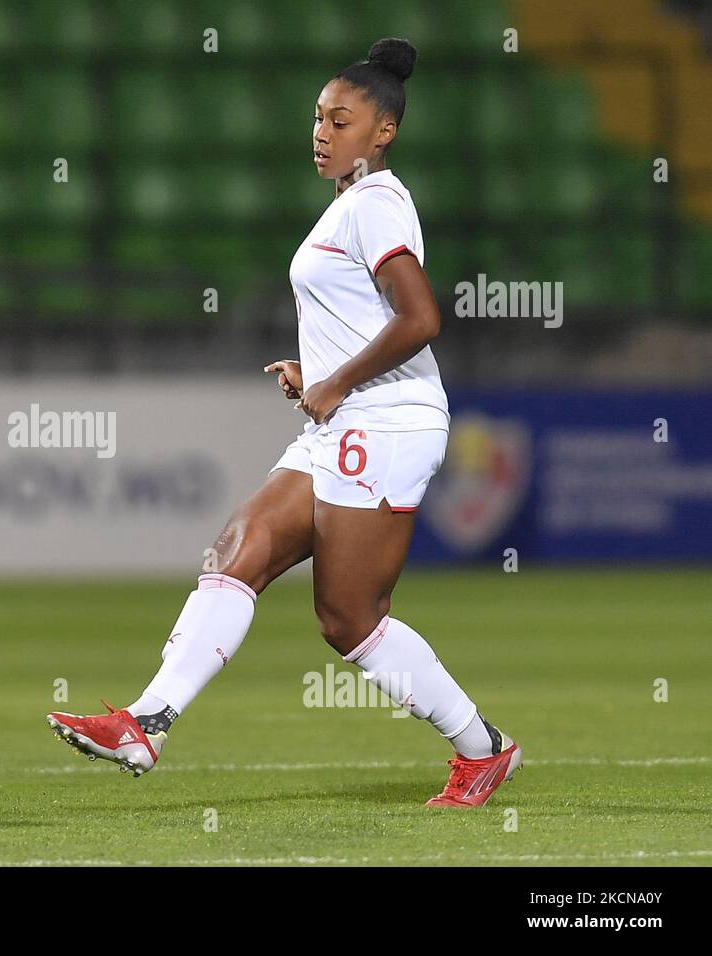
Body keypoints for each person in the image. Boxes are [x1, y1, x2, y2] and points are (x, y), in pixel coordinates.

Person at [47, 37, 521, 808]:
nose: (322, 132)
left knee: (349, 620)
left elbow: (422, 316)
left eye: (341, 120)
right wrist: (320, 372)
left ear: (383, 131)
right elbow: (369, 316)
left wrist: (334, 380)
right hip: (347, 419)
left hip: (391, 421)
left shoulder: (378, 202)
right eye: (318, 118)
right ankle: (147, 721)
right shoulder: (349, 205)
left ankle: (483, 748)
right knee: (240, 548)